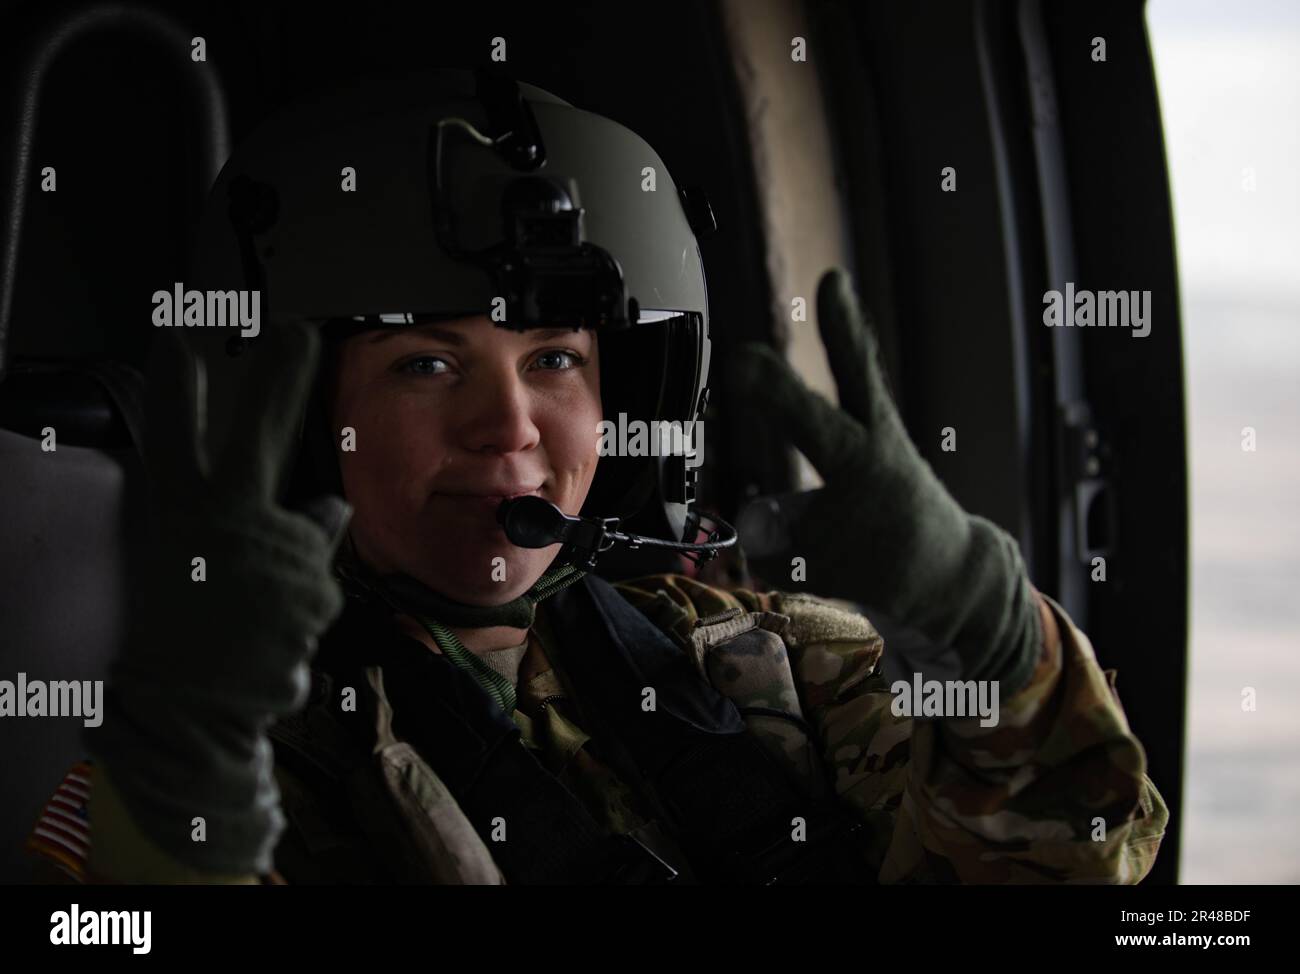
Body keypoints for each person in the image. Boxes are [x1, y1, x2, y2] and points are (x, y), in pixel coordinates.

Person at [27, 70, 1167, 885]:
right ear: (299, 418)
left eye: (555, 358)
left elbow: (1074, 862)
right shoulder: (218, 734)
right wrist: (188, 779)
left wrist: (993, 641)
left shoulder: (787, 664)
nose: (506, 426)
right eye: (427, 362)